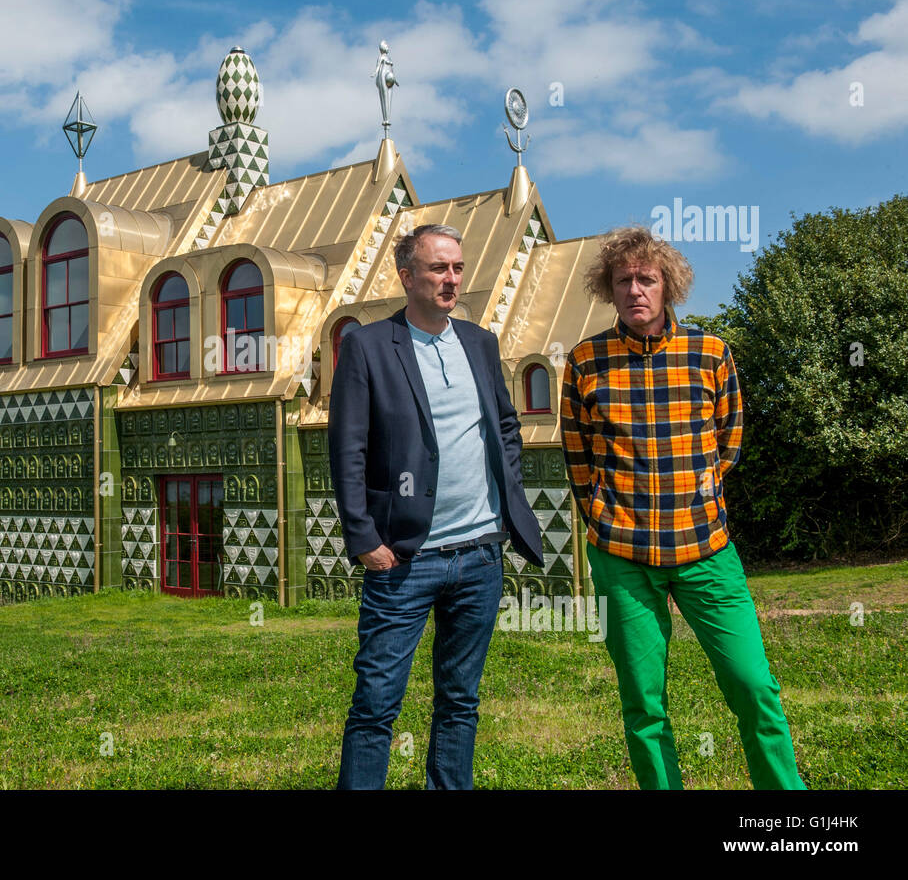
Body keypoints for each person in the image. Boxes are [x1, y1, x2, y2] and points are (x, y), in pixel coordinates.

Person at [559, 225, 805, 790]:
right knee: (643, 703)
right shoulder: (584, 362)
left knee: (753, 684)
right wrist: (606, 516)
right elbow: (579, 459)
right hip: (623, 556)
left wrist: (692, 500)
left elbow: (729, 441)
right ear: (608, 287)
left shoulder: (711, 353)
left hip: (706, 550)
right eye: (624, 280)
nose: (635, 290)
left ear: (669, 285)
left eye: (647, 278)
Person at [329, 223, 545, 790]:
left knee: (460, 700)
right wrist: (363, 537)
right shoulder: (368, 346)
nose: (451, 279)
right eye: (438, 268)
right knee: (376, 703)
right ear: (407, 276)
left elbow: (504, 424)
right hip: (404, 558)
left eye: (457, 268)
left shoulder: (479, 341)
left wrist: (506, 501)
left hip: (479, 556)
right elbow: (347, 446)